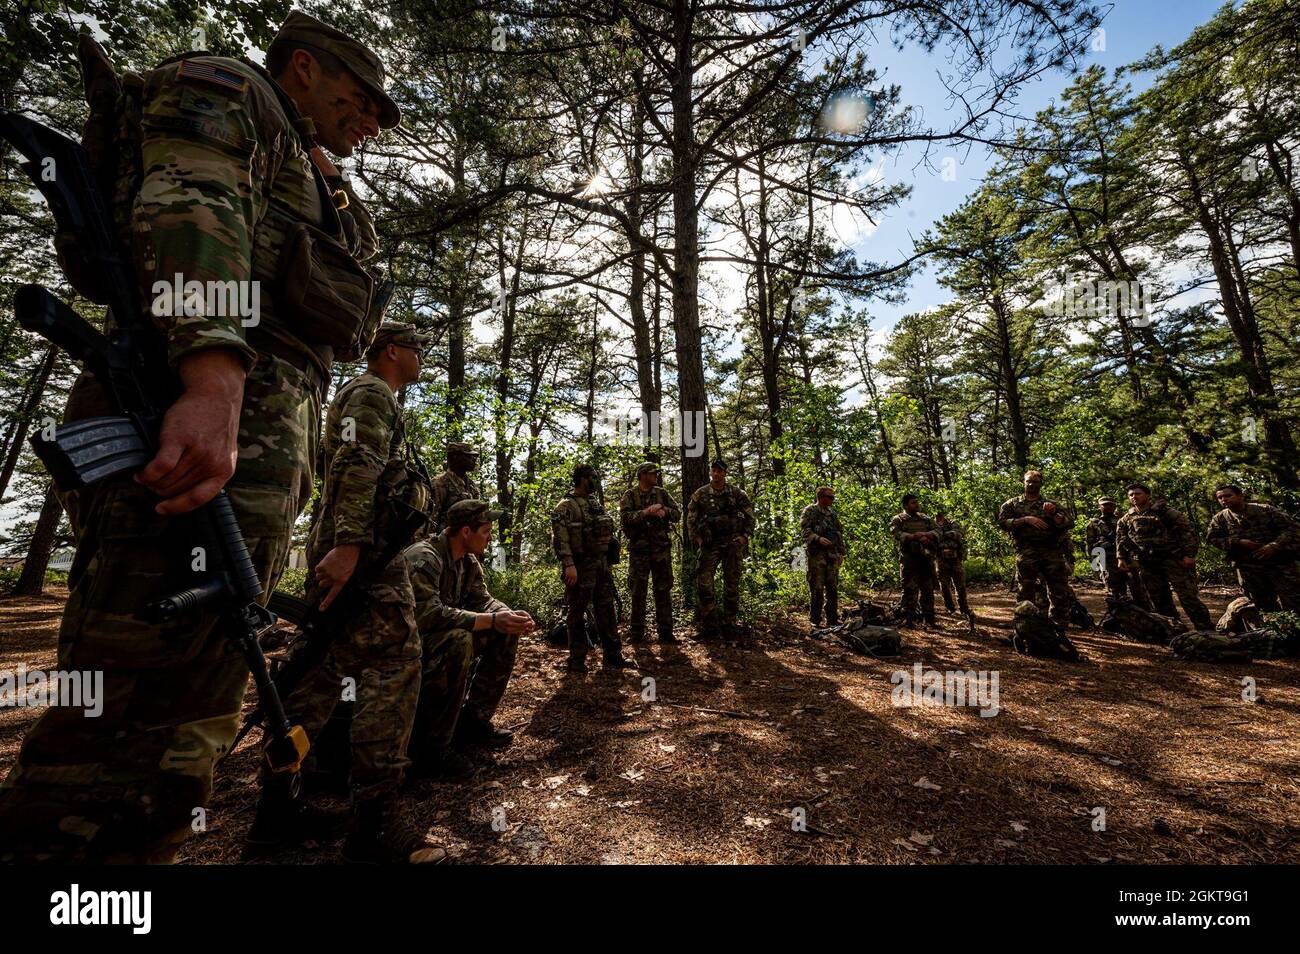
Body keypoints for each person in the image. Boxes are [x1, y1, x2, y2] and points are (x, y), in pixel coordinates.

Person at [0, 11, 400, 864]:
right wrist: (213, 376)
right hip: (198, 421)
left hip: (254, 443)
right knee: (119, 710)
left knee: (194, 705)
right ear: (302, 68)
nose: (371, 124)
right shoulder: (231, 91)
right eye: (363, 102)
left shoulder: (311, 165)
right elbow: (193, 205)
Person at [248, 321, 444, 865]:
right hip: (367, 561)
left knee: (319, 674)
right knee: (394, 665)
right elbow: (359, 466)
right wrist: (353, 545)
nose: (421, 358)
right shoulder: (372, 392)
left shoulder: (366, 394)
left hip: (360, 553)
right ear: (393, 351)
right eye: (418, 349)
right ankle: (375, 823)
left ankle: (276, 810)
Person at [405, 500, 533, 774]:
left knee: (503, 631)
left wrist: (506, 614)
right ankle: (433, 748)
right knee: (459, 641)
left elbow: (483, 601)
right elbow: (425, 614)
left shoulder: (468, 562)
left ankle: (472, 722)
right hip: (405, 648)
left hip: (435, 641)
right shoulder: (424, 557)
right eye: (486, 531)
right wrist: (488, 620)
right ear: (465, 531)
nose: (490, 538)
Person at [552, 464, 630, 671]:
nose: (595, 481)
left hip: (601, 564)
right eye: (592, 477)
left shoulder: (594, 503)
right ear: (581, 479)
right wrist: (569, 564)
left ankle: (613, 655)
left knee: (607, 608)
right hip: (579, 565)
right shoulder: (565, 506)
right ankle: (577, 660)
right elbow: (561, 539)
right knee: (577, 611)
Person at [1116, 483, 1213, 631]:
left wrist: (1189, 555)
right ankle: (1175, 630)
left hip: (1173, 560)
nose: (1134, 497)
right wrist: (1121, 558)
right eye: (1131, 495)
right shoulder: (1126, 518)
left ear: (1148, 496)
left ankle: (1207, 630)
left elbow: (1187, 533)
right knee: (1159, 598)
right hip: (1147, 563)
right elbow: (1121, 539)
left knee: (1188, 597)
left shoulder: (1166, 513)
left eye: (1138, 493)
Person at [997, 470, 1079, 624]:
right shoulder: (1012, 504)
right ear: (1023, 482)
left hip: (1052, 551)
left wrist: (1054, 514)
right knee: (1025, 589)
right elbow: (1002, 523)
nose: (1031, 484)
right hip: (1026, 552)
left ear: (1040, 484)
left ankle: (1059, 623)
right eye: (1028, 481)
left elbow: (1069, 523)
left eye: (1035, 482)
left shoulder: (1051, 504)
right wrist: (1025, 520)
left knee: (1058, 588)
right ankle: (1024, 622)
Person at [1204, 484, 1300, 612]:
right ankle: (1272, 629)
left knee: (1294, 600)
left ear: (1240, 496)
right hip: (1249, 568)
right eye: (1220, 497)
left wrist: (1275, 545)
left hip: (1280, 564)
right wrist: (1238, 542)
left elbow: (1293, 528)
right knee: (1262, 604)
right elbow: (1212, 539)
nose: (1224, 499)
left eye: (1228, 495)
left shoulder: (1265, 510)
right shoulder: (1220, 519)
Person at [687, 460, 756, 636]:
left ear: (725, 473)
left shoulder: (736, 493)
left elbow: (749, 515)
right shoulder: (700, 493)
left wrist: (745, 536)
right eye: (714, 471)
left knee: (732, 584)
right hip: (710, 545)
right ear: (711, 472)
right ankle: (710, 625)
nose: (716, 474)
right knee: (704, 583)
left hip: (732, 544)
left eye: (720, 471)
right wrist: (697, 538)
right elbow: (691, 517)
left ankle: (729, 624)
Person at [619, 462, 680, 644]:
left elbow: (677, 514)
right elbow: (625, 519)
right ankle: (637, 634)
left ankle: (666, 633)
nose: (656, 476)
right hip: (639, 551)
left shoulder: (662, 493)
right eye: (653, 473)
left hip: (661, 549)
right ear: (643, 475)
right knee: (638, 592)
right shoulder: (630, 496)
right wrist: (646, 512)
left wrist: (664, 511)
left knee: (663, 590)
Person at [1085, 496, 1150, 608]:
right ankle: (1120, 617)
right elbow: (1090, 545)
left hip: (1127, 558)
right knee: (1115, 590)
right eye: (1104, 505)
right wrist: (1095, 564)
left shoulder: (1123, 519)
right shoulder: (1094, 523)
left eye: (1110, 504)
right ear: (1099, 507)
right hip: (1107, 559)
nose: (1107, 507)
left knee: (1138, 588)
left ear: (1114, 506)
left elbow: (1134, 537)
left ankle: (1146, 613)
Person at [889, 494, 938, 627]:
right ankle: (909, 619)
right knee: (909, 589)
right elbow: (895, 533)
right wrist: (912, 537)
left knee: (928, 589)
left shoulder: (926, 519)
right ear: (905, 505)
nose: (917, 505)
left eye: (917, 502)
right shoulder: (898, 519)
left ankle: (929, 619)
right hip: (909, 559)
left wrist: (927, 535)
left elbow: (938, 531)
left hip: (926, 559)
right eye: (913, 503)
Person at [800, 487, 846, 626]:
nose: (833, 499)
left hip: (832, 554)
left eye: (833, 497)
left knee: (832, 587)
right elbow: (804, 530)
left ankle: (832, 618)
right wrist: (817, 538)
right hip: (817, 555)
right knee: (816, 587)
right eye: (830, 497)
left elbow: (839, 533)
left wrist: (841, 553)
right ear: (821, 497)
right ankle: (815, 619)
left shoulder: (832, 514)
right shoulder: (810, 511)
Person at [429, 441, 481, 535]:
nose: (473, 459)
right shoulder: (439, 483)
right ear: (455, 457)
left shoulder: (472, 486)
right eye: (468, 456)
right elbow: (431, 520)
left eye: (474, 456)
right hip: (445, 543)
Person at [933, 511, 970, 617]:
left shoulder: (953, 522)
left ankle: (964, 609)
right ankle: (950, 608)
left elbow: (959, 534)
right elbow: (932, 538)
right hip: (940, 559)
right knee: (944, 585)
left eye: (940, 514)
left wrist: (942, 534)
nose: (938, 517)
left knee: (960, 585)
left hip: (955, 559)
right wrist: (947, 535)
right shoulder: (931, 524)